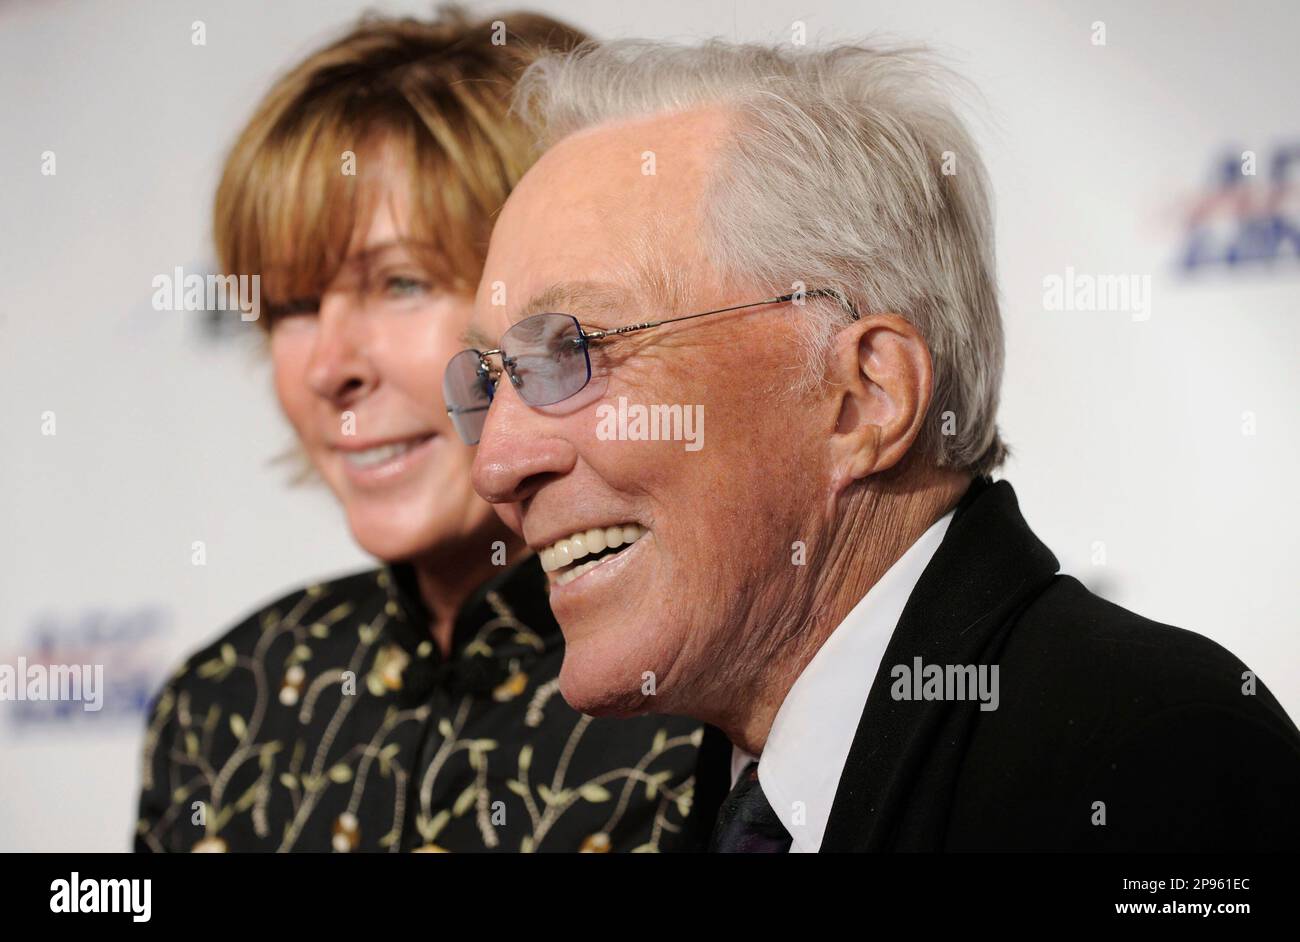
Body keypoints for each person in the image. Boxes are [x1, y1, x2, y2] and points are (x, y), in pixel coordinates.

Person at [446, 38, 1300, 851]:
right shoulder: (703, 795)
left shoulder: (1157, 765)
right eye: (487, 381)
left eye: (572, 351)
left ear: (864, 396)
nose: (495, 465)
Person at [135, 11, 702, 853]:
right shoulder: (223, 700)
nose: (331, 366)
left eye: (399, 284)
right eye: (292, 307)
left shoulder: (707, 691)